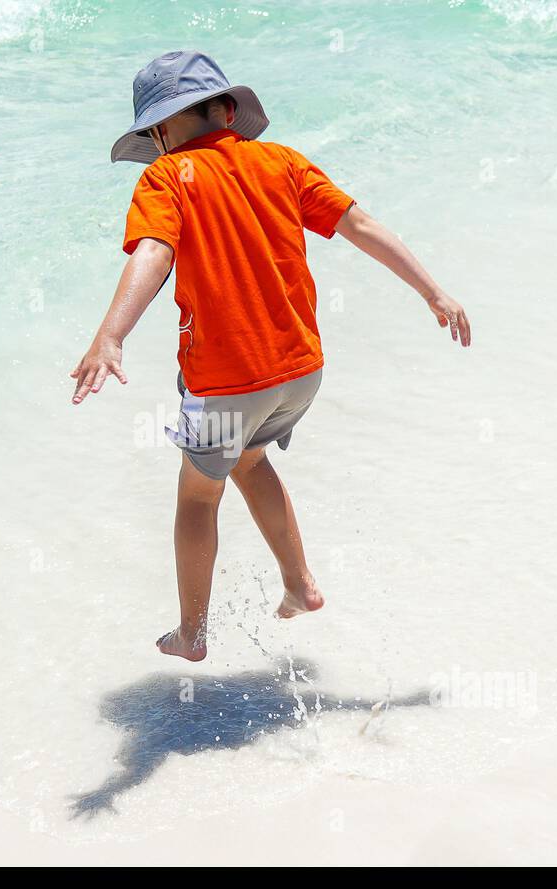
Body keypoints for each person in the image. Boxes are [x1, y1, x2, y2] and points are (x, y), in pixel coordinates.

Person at [71, 51, 471, 661]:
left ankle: (191, 634)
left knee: (197, 498)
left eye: (158, 129)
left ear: (160, 131)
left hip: (231, 382)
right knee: (249, 462)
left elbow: (152, 250)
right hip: (300, 374)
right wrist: (433, 291)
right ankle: (299, 583)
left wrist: (111, 334)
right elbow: (359, 225)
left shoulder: (165, 176)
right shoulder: (282, 162)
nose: (158, 140)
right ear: (229, 111)